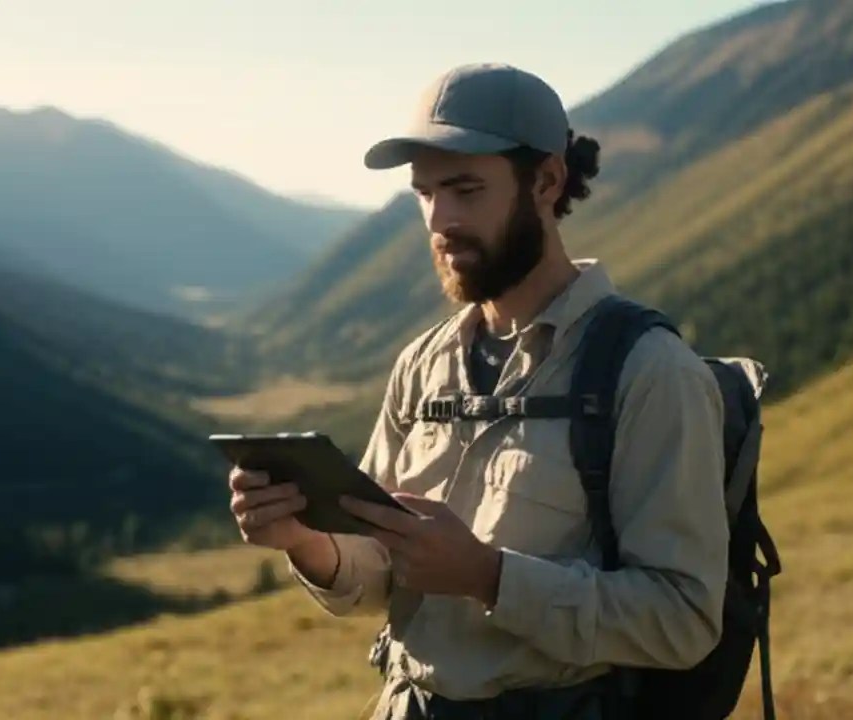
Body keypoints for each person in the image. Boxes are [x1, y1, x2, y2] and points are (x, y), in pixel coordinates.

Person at [226, 62, 729, 720]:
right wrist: (304, 540)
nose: (441, 219)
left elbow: (683, 619)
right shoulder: (422, 365)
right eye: (425, 193)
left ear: (546, 181)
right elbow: (377, 572)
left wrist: (488, 578)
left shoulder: (649, 371)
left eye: (465, 190)